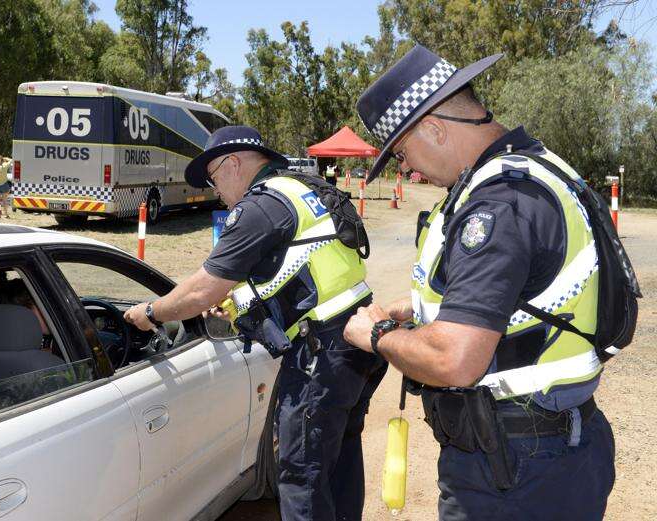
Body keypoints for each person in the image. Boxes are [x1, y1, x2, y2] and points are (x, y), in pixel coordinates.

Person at [343, 44, 615, 520]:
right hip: (551, 453)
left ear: (433, 127)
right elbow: (520, 288)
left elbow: (455, 360)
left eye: (402, 152)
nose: (407, 169)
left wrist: (378, 335)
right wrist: (419, 307)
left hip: (515, 469)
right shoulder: (535, 168)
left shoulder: (497, 204)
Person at [124, 126, 387, 521]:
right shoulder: (300, 190)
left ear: (233, 163)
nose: (216, 191)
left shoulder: (259, 207)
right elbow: (291, 271)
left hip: (321, 355)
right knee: (339, 458)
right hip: (354, 340)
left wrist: (150, 313)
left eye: (213, 178)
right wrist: (236, 311)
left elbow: (202, 290)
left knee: (302, 472)